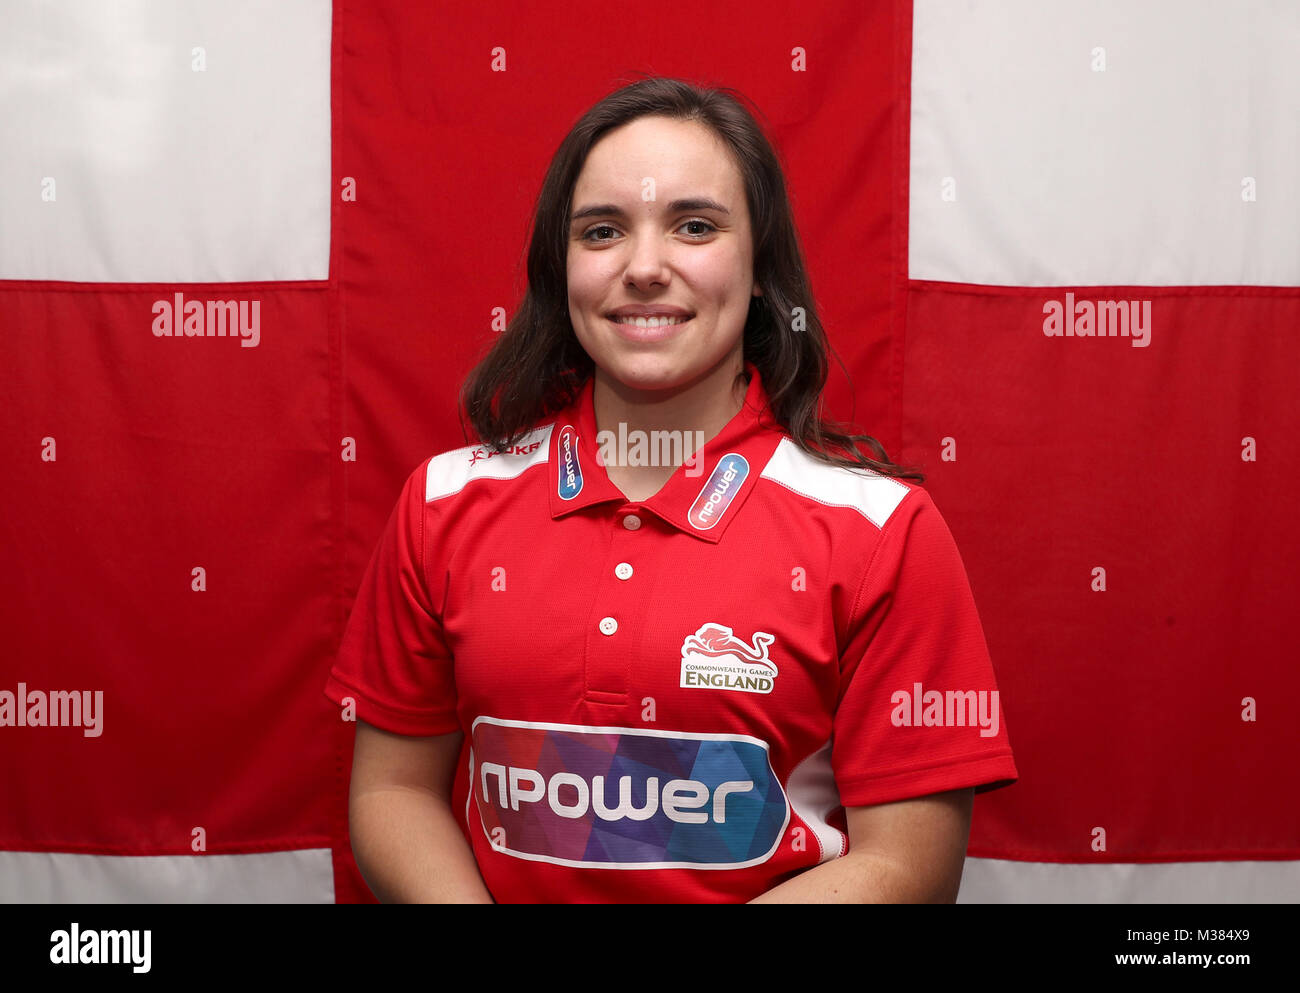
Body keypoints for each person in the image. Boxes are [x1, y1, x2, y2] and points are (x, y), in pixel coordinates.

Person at [324, 76, 1017, 903]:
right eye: (603, 231)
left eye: (695, 226)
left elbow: (909, 865)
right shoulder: (441, 503)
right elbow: (391, 791)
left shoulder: (883, 530)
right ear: (562, 267)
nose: (644, 268)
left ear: (763, 268)